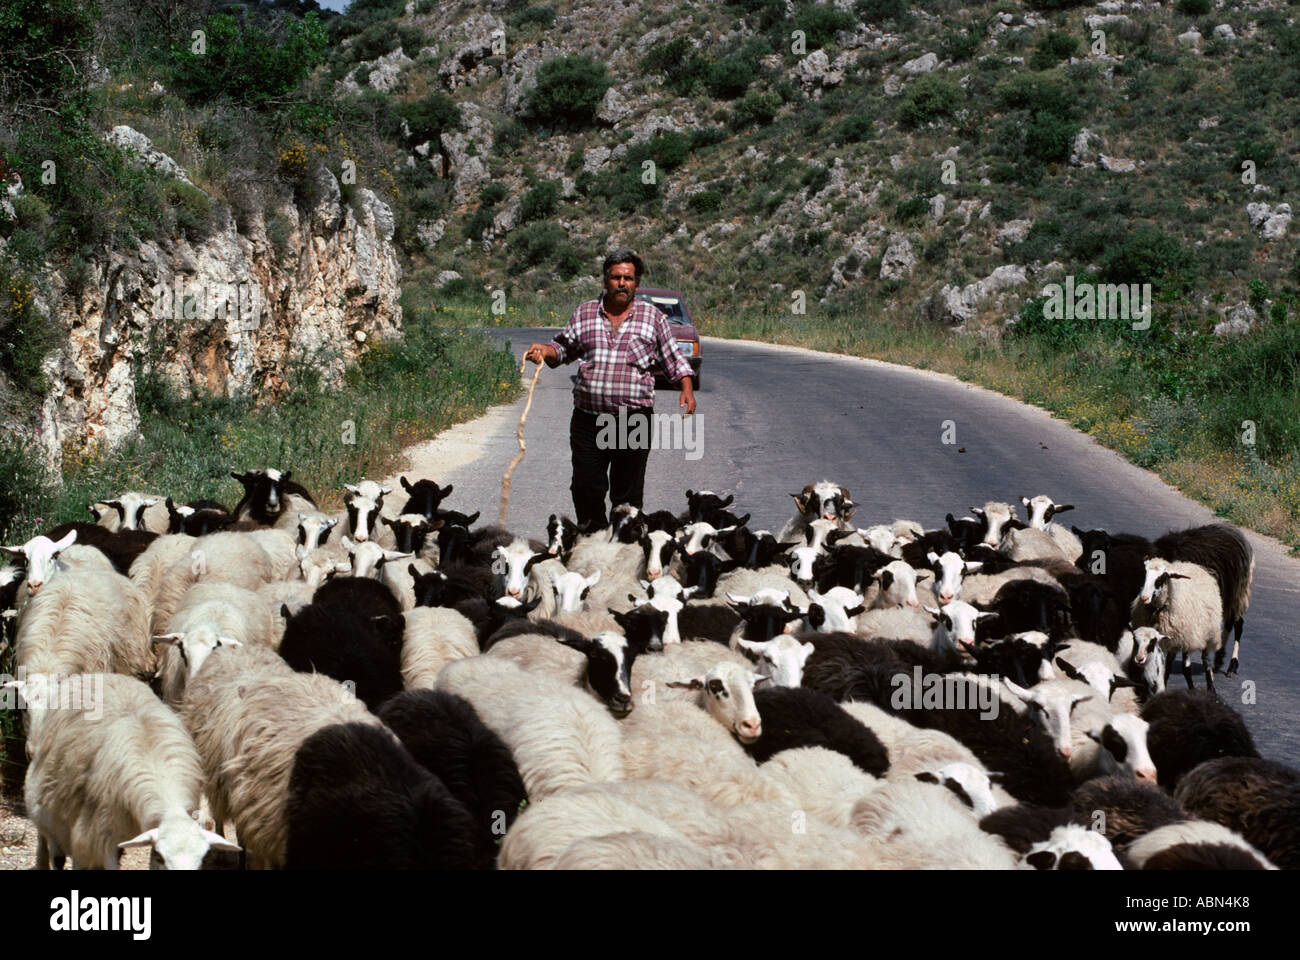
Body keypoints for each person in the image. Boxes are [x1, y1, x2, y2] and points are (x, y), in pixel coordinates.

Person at [525, 250, 697, 531]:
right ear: (605, 280)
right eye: (616, 277)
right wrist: (544, 351)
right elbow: (562, 348)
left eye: (628, 278)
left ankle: (622, 549)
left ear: (636, 283)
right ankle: (592, 542)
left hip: (633, 419)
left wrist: (686, 388)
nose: (621, 283)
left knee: (626, 496)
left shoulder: (653, 318)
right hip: (589, 419)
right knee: (585, 486)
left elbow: (673, 358)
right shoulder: (584, 313)